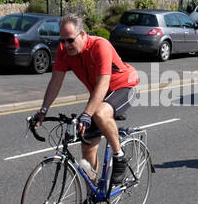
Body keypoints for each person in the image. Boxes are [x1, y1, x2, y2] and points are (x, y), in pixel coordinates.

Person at [32, 15, 139, 186]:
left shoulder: (100, 46)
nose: (66, 45)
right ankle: (93, 194)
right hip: (99, 93)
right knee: (87, 148)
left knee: (99, 113)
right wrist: (43, 110)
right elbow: (55, 81)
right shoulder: (64, 51)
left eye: (70, 40)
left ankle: (119, 157)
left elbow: (104, 83)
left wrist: (87, 114)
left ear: (82, 34)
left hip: (123, 87)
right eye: (62, 40)